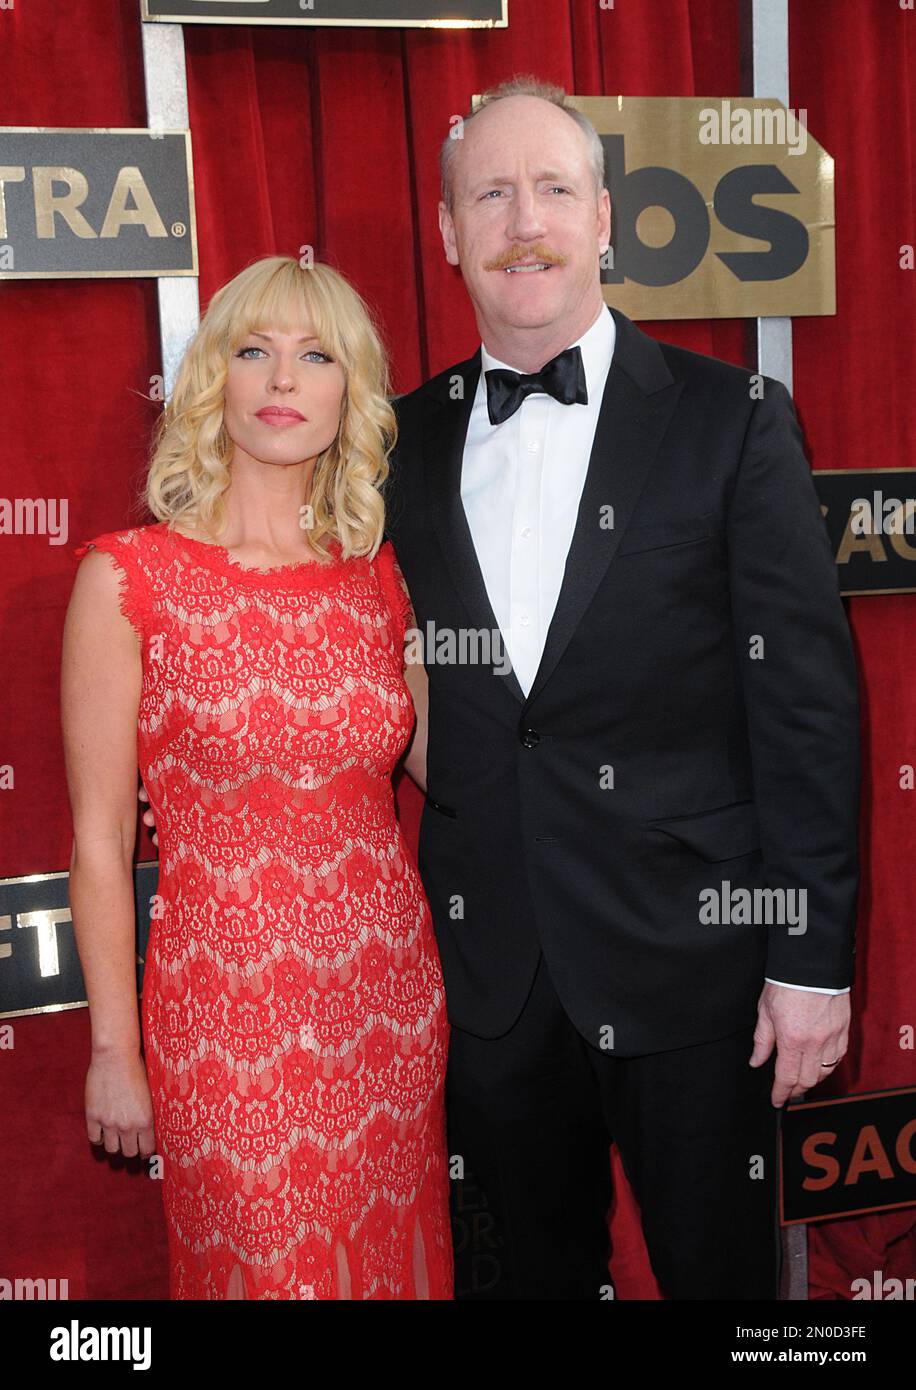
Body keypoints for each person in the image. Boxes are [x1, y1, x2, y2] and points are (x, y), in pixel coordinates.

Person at [380, 76, 860, 1299]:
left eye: (551, 188)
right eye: (489, 194)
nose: (521, 221)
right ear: (447, 234)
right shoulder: (397, 443)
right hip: (493, 978)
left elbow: (805, 703)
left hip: (698, 970)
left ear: (605, 218)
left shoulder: (731, 418)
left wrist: (808, 965)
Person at [62, 255, 452, 1300]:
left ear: (349, 395)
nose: (284, 379)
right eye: (255, 351)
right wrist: (113, 1049)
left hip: (388, 1010)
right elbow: (101, 843)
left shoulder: (381, 579)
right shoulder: (127, 579)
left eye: (316, 355)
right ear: (214, 380)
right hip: (224, 1020)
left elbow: (461, 764)